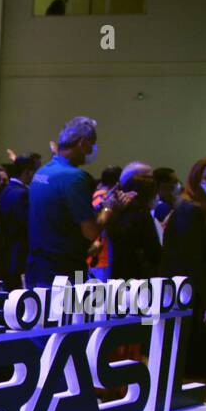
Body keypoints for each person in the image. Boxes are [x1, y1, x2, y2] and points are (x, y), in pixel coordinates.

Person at [27, 116, 133, 287]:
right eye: (92, 143)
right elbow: (91, 232)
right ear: (82, 142)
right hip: (65, 274)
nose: (92, 149)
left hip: (37, 269)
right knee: (72, 314)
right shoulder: (75, 178)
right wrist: (109, 209)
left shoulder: (42, 172)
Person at [161, 155, 206, 394]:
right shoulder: (190, 211)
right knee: (185, 360)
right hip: (188, 297)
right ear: (196, 180)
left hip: (199, 294)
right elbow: (192, 262)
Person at [107, 162, 161, 279]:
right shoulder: (141, 213)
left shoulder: (114, 210)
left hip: (115, 275)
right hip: (138, 277)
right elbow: (153, 252)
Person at [0, 152, 39, 289]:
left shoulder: (7, 190)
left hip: (6, 252)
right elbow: (27, 226)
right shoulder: (22, 194)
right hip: (18, 255)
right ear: (27, 172)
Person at [86, 165, 123, 281]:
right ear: (118, 183)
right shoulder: (106, 199)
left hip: (91, 253)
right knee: (99, 294)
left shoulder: (93, 195)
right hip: (100, 256)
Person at [151, 166, 180, 242]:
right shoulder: (162, 207)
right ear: (162, 185)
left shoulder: (170, 204)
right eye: (174, 182)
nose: (178, 185)